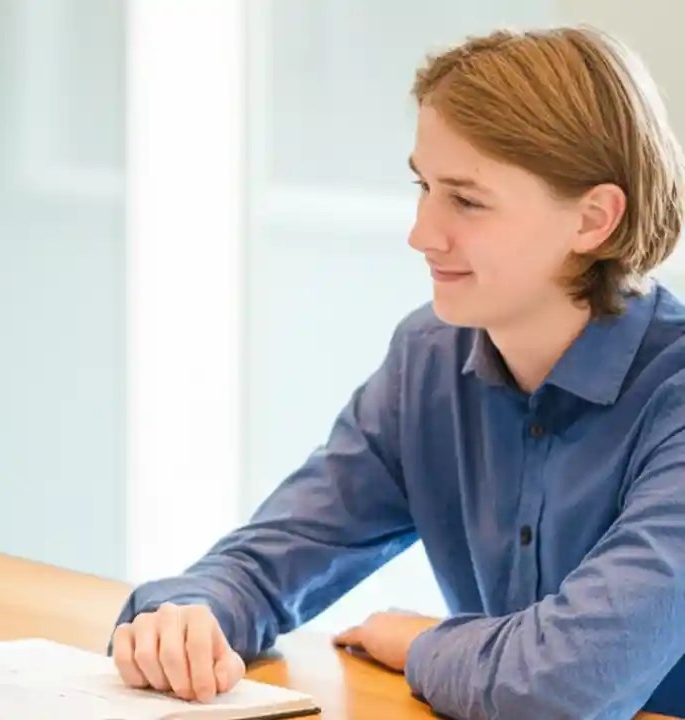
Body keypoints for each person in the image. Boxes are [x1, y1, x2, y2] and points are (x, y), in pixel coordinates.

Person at [111, 25, 685, 720]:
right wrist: (188, 616)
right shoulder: (430, 358)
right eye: (424, 186)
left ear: (592, 219)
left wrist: (421, 643)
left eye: (466, 200)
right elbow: (273, 559)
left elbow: (567, 685)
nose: (420, 233)